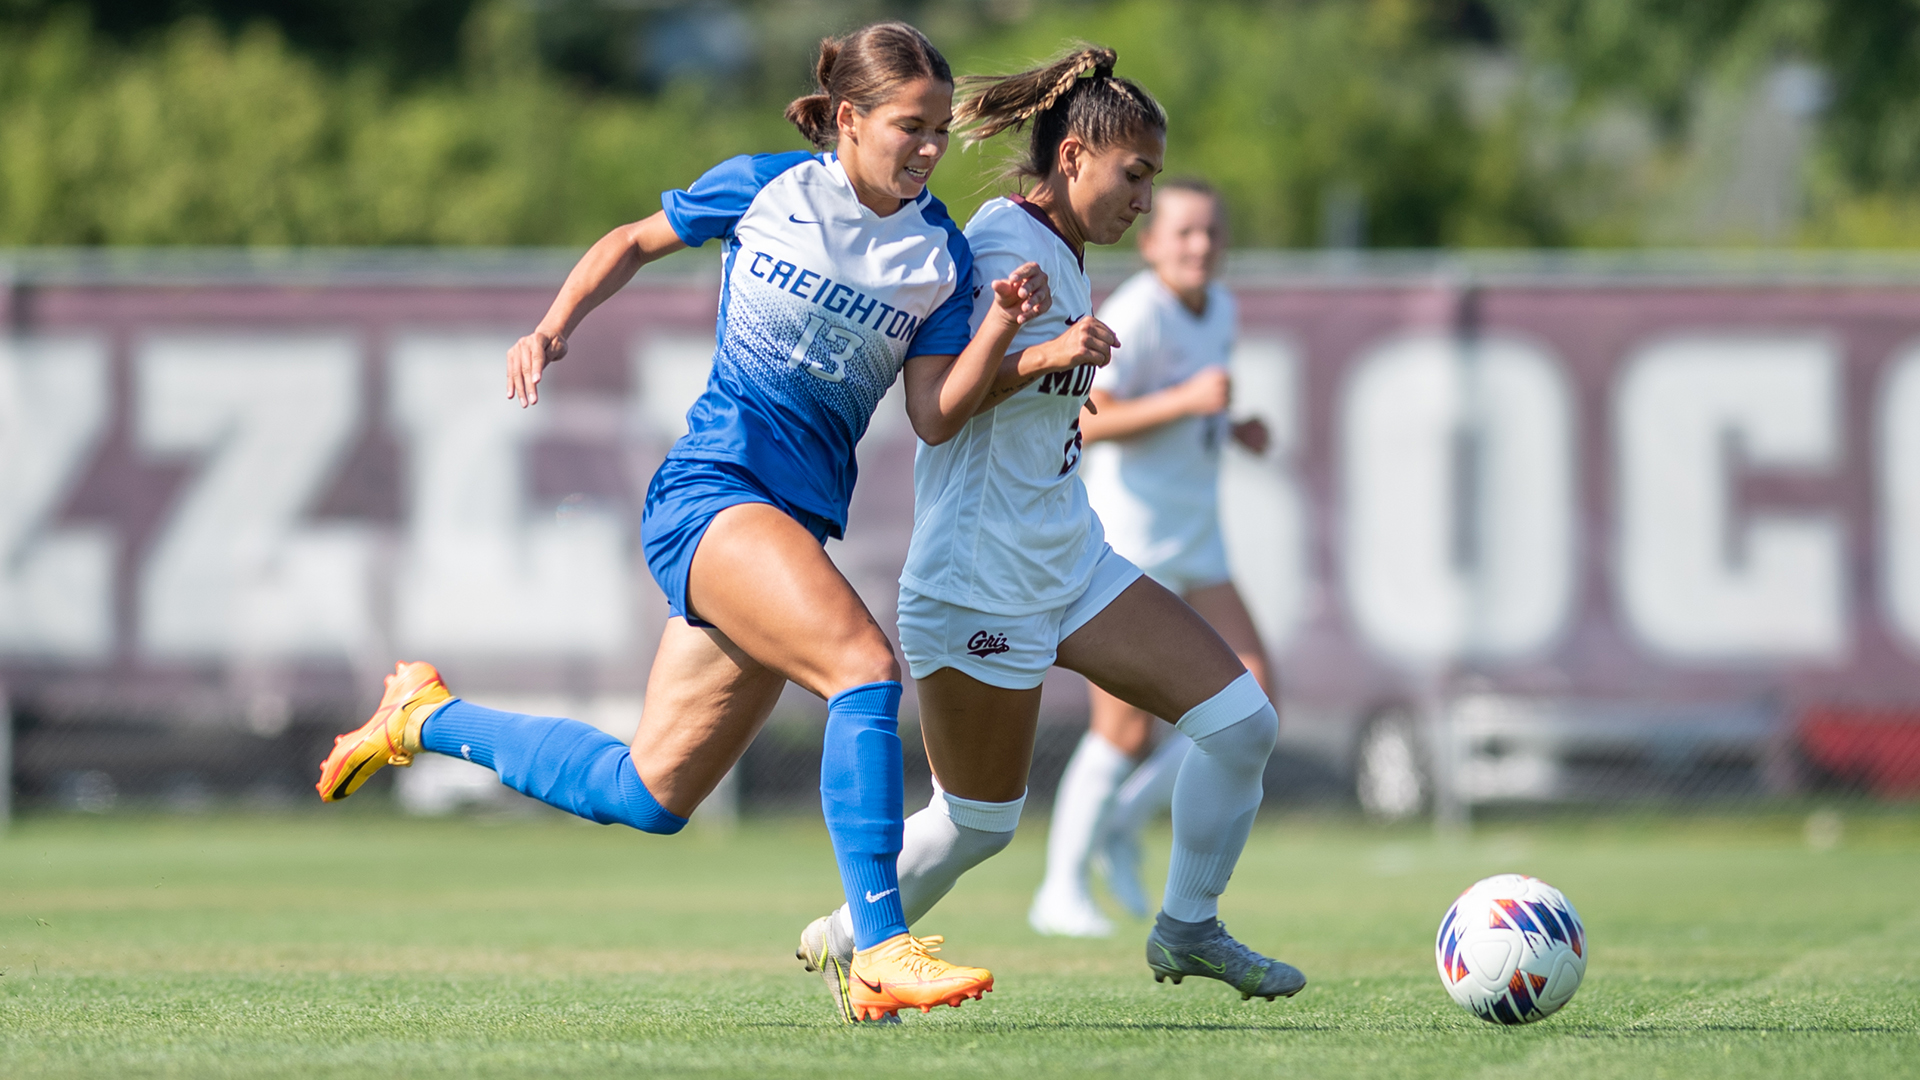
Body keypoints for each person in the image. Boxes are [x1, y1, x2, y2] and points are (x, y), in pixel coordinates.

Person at [313, 22, 1063, 1022]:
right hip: (712, 494)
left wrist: (1010, 331)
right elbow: (631, 242)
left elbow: (934, 415)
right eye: (908, 128)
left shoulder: (940, 258)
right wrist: (551, 327)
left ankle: (423, 715)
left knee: (649, 794)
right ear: (847, 120)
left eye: (936, 131)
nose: (929, 149)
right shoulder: (770, 187)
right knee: (863, 671)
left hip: (787, 527)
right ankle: (879, 948)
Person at [796, 45, 1304, 1021]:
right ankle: (853, 936)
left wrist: (1066, 364)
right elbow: (938, 413)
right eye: (1135, 177)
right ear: (1074, 157)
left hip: (1070, 560)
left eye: (1154, 179)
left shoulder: (1066, 251)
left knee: (1243, 725)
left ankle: (1188, 925)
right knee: (981, 824)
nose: (1144, 202)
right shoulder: (1000, 245)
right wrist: (1049, 358)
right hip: (978, 579)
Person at [1029, 177, 1275, 938]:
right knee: (1125, 731)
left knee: (1256, 698)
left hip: (1197, 533)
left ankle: (1126, 823)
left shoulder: (1221, 308)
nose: (1200, 245)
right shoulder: (1137, 311)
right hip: (1132, 536)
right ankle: (1059, 888)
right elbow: (1087, 420)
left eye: (1211, 232)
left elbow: (1195, 402)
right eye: (1184, 233)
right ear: (1151, 244)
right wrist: (1191, 403)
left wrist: (1233, 429)